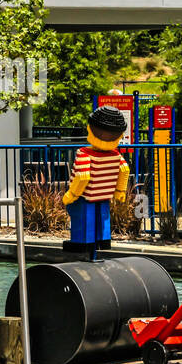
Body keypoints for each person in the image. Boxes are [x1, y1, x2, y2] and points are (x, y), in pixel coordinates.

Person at [61, 106, 130, 261]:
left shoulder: (85, 154)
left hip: (84, 198)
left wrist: (71, 194)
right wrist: (120, 191)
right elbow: (124, 170)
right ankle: (101, 244)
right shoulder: (116, 156)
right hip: (104, 197)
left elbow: (83, 176)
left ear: (89, 129)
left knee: (83, 221)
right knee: (102, 222)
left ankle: (82, 245)